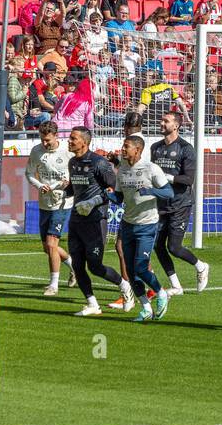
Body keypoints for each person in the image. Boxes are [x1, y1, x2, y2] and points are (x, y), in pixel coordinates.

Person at [64, 125, 135, 316]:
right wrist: (60, 192)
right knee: (77, 265)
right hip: (76, 219)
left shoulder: (99, 163)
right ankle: (92, 304)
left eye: (73, 138)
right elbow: (73, 188)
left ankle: (124, 286)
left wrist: (94, 202)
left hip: (96, 220)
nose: (69, 141)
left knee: (95, 266)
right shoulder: (72, 163)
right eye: (70, 138)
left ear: (84, 142)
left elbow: (114, 190)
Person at [114, 133, 177, 322]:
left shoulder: (151, 168)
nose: (123, 149)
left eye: (126, 146)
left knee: (141, 268)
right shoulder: (123, 169)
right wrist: (103, 196)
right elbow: (118, 197)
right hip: (127, 224)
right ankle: (145, 308)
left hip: (147, 225)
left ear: (138, 149)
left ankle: (161, 292)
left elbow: (169, 192)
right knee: (131, 272)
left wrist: (151, 190)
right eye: (123, 146)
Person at [150, 110, 210, 296]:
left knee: (174, 247)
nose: (161, 123)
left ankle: (201, 266)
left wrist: (166, 177)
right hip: (161, 204)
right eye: (161, 120)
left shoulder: (185, 148)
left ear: (176, 125)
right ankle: (176, 285)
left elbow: (189, 179)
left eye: (165, 121)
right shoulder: (155, 148)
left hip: (180, 204)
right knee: (157, 246)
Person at [25, 121, 75, 296]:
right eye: (42, 140)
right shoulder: (37, 151)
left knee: (52, 243)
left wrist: (69, 182)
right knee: (47, 247)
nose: (44, 143)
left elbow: (77, 172)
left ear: (56, 135)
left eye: (47, 140)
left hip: (63, 203)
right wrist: (39, 185)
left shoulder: (68, 152)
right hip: (44, 202)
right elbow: (29, 173)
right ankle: (73, 265)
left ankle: (53, 285)